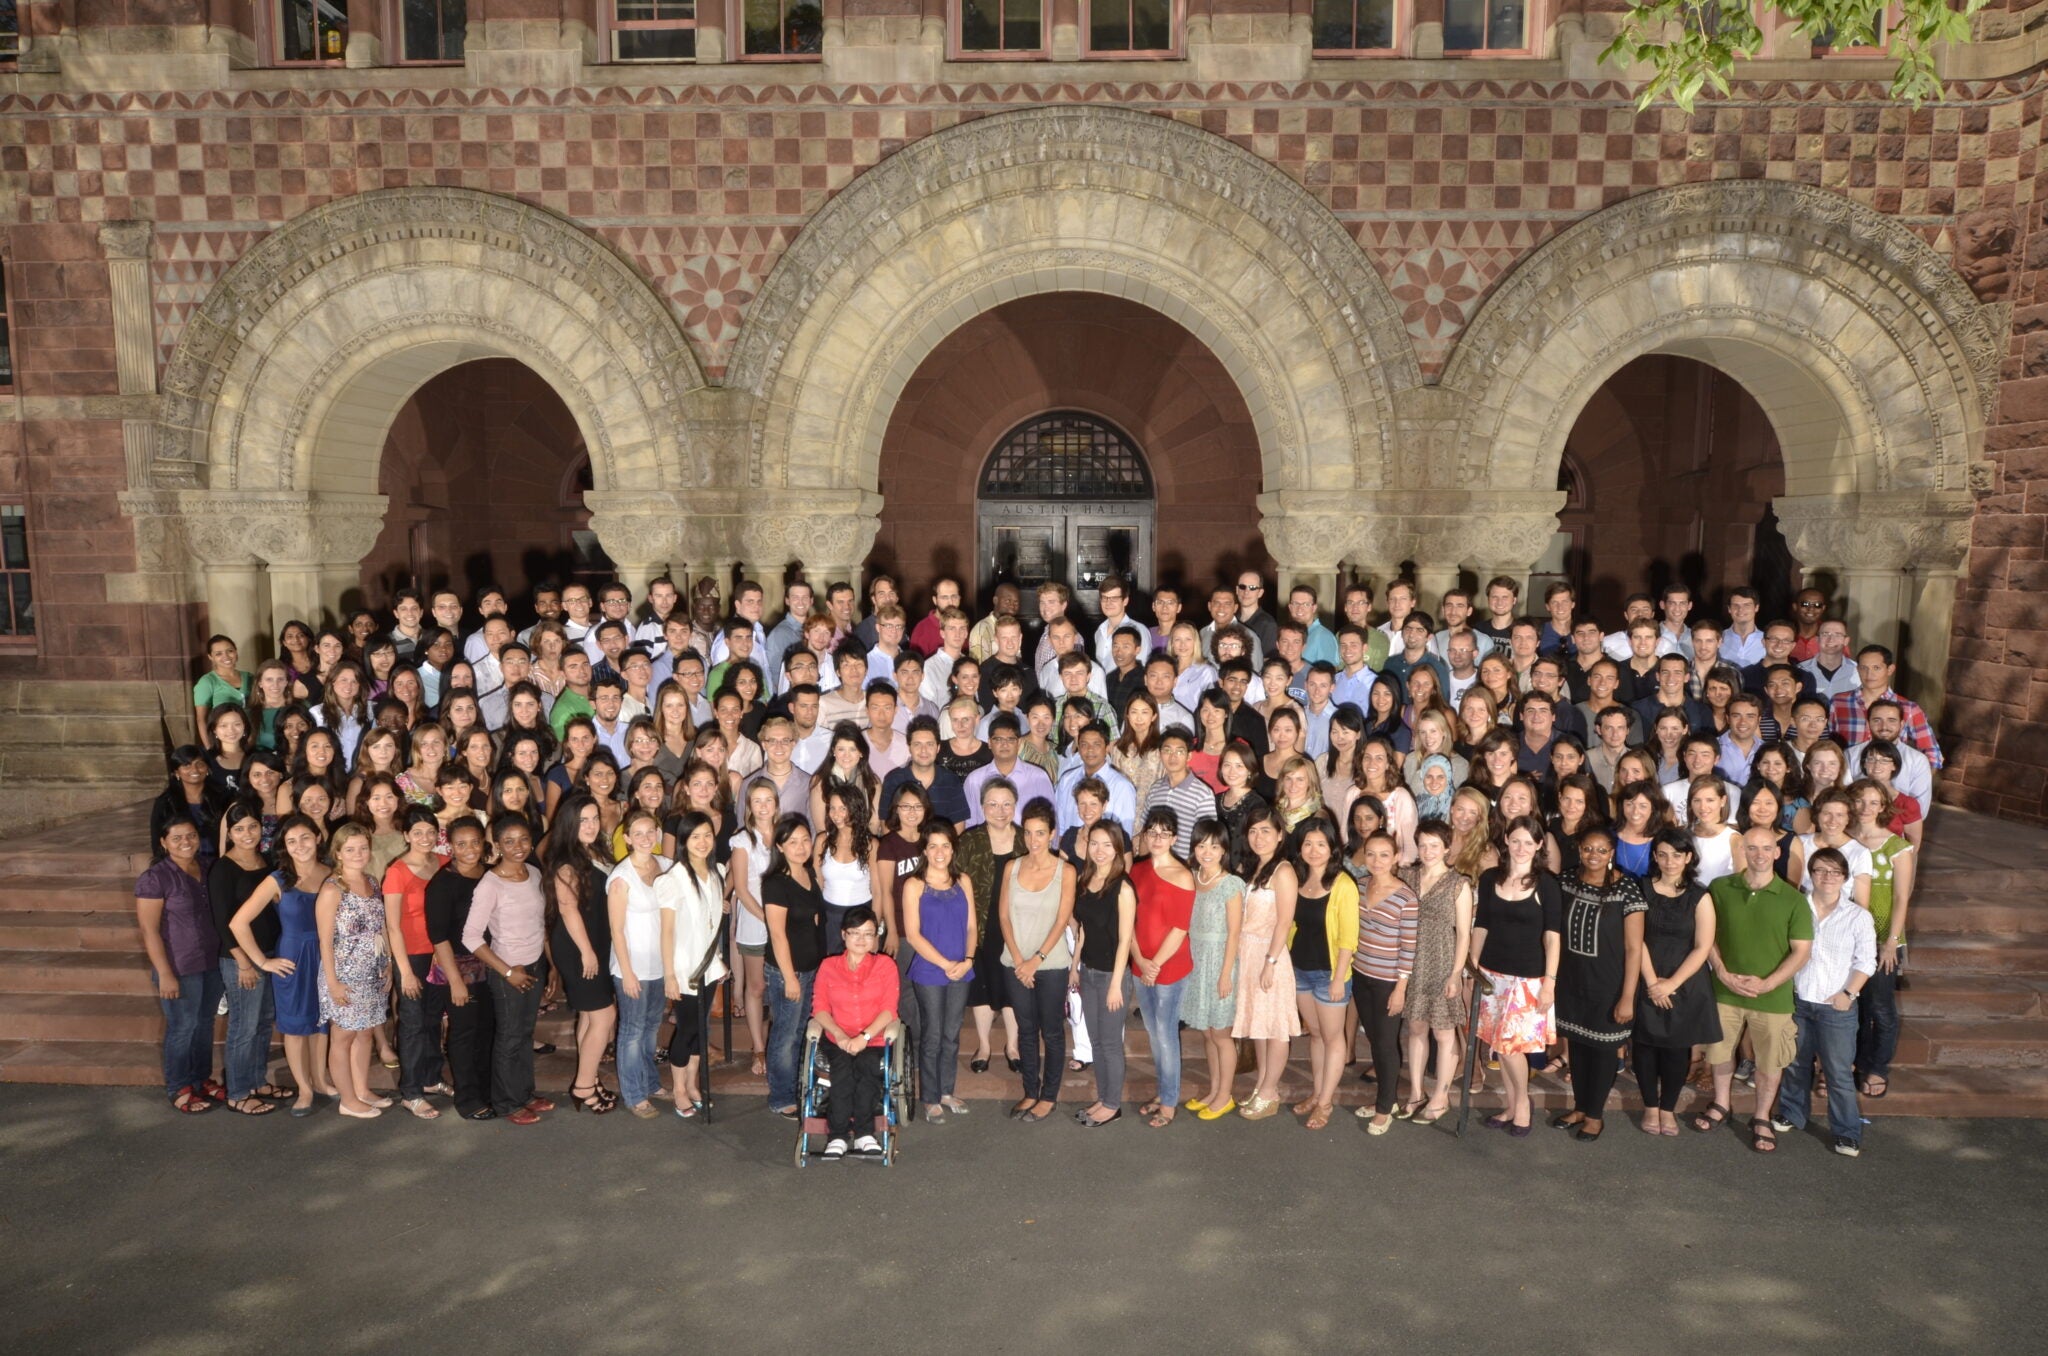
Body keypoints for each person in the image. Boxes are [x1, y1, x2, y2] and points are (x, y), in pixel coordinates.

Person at [1695, 824, 1814, 1153]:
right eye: (1752, 848)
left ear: (1777, 853)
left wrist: (1768, 984)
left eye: (1766, 849)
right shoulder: (1720, 888)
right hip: (1725, 991)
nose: (1759, 855)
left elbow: (1801, 951)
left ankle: (1761, 1115)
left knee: (1769, 1062)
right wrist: (1720, 971)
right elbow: (1707, 937)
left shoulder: (1794, 899)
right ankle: (1721, 1103)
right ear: (1742, 851)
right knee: (1720, 1055)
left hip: (1773, 998)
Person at [1771, 848, 1877, 1157]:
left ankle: (1846, 1132)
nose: (1827, 877)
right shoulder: (1796, 907)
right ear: (1810, 874)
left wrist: (1848, 994)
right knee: (1795, 1063)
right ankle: (1792, 1113)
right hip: (1798, 1000)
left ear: (1844, 878)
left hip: (1837, 1007)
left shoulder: (1858, 916)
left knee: (1838, 1073)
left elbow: (1866, 962)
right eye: (1820, 870)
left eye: (1834, 872)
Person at [229, 813, 335, 1117]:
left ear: (317, 838)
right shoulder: (277, 879)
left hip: (326, 954)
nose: (299, 845)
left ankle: (321, 1080)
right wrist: (262, 961)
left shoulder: (332, 873)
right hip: (293, 957)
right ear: (284, 847)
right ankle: (303, 1088)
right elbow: (238, 923)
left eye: (305, 837)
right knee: (295, 1026)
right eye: (291, 841)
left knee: (321, 1021)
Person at [1548, 828, 1646, 1142]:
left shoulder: (1626, 889)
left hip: (1609, 985)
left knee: (1603, 1051)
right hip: (1572, 981)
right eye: (1588, 849)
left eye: (1601, 850)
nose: (1594, 855)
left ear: (1612, 854)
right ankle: (1579, 1107)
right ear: (1579, 850)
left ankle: (1594, 1115)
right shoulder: (1565, 881)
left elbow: (1634, 949)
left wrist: (1627, 996)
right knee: (1577, 1046)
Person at [1470, 816, 1562, 1136]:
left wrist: (1550, 982)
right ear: (1506, 840)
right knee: (1501, 1045)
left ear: (1538, 846)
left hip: (1529, 980)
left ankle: (1522, 1103)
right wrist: (1471, 964)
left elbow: (1552, 937)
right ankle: (1511, 1105)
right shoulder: (1489, 877)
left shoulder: (1547, 884)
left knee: (1510, 1047)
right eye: (1516, 840)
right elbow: (1481, 924)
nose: (1521, 848)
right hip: (1493, 975)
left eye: (1528, 842)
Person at [464, 814, 556, 1126]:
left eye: (524, 839)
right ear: (498, 846)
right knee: (509, 1037)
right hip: (508, 972)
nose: (518, 847)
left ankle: (525, 1094)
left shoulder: (532, 872)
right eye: (509, 841)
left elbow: (540, 925)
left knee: (525, 1033)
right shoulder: (490, 884)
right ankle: (505, 1102)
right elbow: (471, 937)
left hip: (534, 965)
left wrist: (550, 965)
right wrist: (506, 972)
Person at [1632, 829, 1721, 1136]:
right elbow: (1635, 938)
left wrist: (1670, 984)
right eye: (1663, 854)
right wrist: (1652, 981)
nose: (1670, 861)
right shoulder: (1640, 889)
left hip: (1685, 984)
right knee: (1644, 1047)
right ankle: (1650, 1108)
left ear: (1688, 857)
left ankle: (1667, 1109)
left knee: (1675, 1051)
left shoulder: (1700, 895)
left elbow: (1703, 946)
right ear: (1655, 856)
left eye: (1677, 854)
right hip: (1645, 976)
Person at [136, 818, 227, 1114]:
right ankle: (179, 1085)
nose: (185, 841)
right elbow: (149, 930)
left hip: (211, 962)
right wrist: (164, 973)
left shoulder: (209, 866)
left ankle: (201, 1078)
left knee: (204, 1025)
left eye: (191, 835)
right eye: (176, 837)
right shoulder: (156, 878)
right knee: (182, 1027)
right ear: (163, 842)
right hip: (179, 965)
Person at [999, 798, 1078, 1122]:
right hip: (1014, 963)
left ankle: (1048, 1096)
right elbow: (1003, 916)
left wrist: (1036, 960)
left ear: (1052, 834)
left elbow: (1062, 920)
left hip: (1052, 964)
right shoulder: (1012, 866)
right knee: (1026, 1030)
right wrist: (1020, 960)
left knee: (1052, 1031)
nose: (1033, 841)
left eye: (1040, 833)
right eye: (1029, 833)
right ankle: (1030, 1090)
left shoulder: (1066, 870)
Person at [542, 792, 619, 1115]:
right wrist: (587, 952)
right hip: (578, 946)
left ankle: (587, 1078)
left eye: (593, 818)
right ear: (569, 823)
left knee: (591, 1014)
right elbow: (568, 908)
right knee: (604, 1015)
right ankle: (583, 1085)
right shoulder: (565, 860)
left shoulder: (594, 849)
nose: (590, 825)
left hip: (596, 940)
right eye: (583, 820)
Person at [317, 823, 395, 1120]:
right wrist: (333, 982)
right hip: (345, 973)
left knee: (365, 1033)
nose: (358, 854)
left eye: (363, 847)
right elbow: (324, 941)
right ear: (338, 853)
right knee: (343, 1035)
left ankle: (361, 1090)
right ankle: (347, 1099)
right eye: (350, 849)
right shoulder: (332, 889)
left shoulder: (373, 882)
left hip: (372, 970)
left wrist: (387, 960)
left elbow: (382, 926)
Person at [208, 804, 283, 1114]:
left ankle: (257, 1081)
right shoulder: (223, 868)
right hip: (241, 959)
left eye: (252, 827)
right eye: (239, 829)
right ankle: (238, 1092)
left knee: (264, 1022)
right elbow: (222, 921)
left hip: (268, 953)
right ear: (229, 833)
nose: (247, 834)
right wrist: (242, 962)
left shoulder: (266, 861)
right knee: (244, 1026)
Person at [810, 907, 901, 1159]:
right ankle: (837, 1135)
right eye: (855, 933)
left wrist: (865, 1037)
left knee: (867, 1068)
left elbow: (888, 1010)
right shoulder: (828, 966)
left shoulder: (885, 965)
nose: (861, 939)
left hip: (874, 1038)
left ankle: (864, 1133)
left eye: (868, 934)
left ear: (875, 938)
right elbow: (819, 1009)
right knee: (842, 1071)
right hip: (837, 1037)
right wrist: (840, 1036)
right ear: (843, 935)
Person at [902, 820, 977, 1123]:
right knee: (932, 1034)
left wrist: (969, 959)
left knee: (951, 1033)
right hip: (931, 971)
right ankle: (930, 1097)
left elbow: (972, 925)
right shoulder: (914, 884)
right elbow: (913, 934)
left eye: (945, 845)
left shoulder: (963, 881)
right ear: (924, 848)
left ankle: (947, 1091)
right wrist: (946, 964)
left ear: (953, 848)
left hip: (962, 968)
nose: (939, 851)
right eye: (932, 845)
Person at [1230, 810, 1303, 1121]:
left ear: (1279, 835)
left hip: (1269, 956)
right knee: (1257, 1026)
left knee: (1274, 1029)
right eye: (1253, 831)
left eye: (1265, 831)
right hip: (1247, 953)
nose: (1258, 837)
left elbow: (1284, 921)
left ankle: (1271, 1091)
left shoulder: (1283, 871)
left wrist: (1271, 962)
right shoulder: (1252, 868)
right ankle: (1262, 1085)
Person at [422, 816, 495, 1120]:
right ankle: (467, 1099)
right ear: (450, 846)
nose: (469, 849)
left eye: (475, 842)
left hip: (492, 964)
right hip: (459, 968)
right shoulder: (442, 884)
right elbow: (438, 937)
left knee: (488, 1031)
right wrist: (455, 981)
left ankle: (488, 1090)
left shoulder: (490, 875)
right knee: (464, 1034)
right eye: (461, 844)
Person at [658, 810, 729, 1119]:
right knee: (687, 1030)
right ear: (683, 841)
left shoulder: (717, 873)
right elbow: (667, 931)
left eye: (707, 835)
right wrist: (670, 975)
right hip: (685, 970)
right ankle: (678, 1089)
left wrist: (720, 962)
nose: (702, 842)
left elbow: (711, 924)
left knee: (701, 1028)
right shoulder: (673, 879)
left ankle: (693, 1084)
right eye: (695, 836)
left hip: (710, 967)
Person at [1848, 777, 1915, 1100]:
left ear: (1883, 806)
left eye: (1873, 802)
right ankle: (1856, 1063)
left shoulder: (1896, 847)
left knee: (1880, 1007)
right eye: (1860, 801)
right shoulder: (1844, 839)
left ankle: (1878, 1068)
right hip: (1846, 939)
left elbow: (1902, 897)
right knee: (1854, 1006)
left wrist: (1890, 941)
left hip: (1881, 939)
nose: (1865, 808)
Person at [1129, 809, 1196, 1128]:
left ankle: (1169, 1103)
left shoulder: (1183, 875)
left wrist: (1153, 964)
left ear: (1175, 838)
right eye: (1152, 831)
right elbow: (1127, 919)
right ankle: (1163, 1091)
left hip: (1169, 966)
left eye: (1164, 833)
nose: (1157, 838)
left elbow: (1180, 928)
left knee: (1166, 1034)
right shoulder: (1136, 870)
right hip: (1139, 962)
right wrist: (1140, 960)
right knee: (1154, 1034)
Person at [1069, 821, 1138, 1128]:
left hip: (1113, 977)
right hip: (1088, 971)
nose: (1099, 850)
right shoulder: (1085, 879)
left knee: (1110, 1043)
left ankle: (1112, 1104)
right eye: (1094, 843)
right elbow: (1082, 930)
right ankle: (1102, 1098)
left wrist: (1115, 985)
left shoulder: (1122, 887)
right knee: (1095, 1042)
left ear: (1118, 850)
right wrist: (1075, 965)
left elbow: (1125, 939)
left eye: (1107, 845)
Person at [381, 804, 447, 1120]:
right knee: (412, 1023)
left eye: (430, 832)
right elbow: (392, 925)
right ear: (406, 835)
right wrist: (404, 970)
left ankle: (432, 1078)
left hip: (441, 954)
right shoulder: (396, 872)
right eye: (417, 832)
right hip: (412, 956)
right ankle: (411, 1092)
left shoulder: (445, 863)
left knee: (434, 1018)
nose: (425, 837)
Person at [607, 807, 671, 1118]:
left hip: (659, 964)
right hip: (631, 968)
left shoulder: (666, 865)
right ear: (628, 839)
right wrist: (628, 973)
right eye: (639, 833)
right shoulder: (621, 877)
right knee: (632, 1031)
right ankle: (634, 1094)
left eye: (651, 832)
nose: (646, 838)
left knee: (650, 1028)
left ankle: (649, 1081)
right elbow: (616, 930)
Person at [762, 813, 827, 1118]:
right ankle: (781, 1096)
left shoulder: (809, 873)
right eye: (793, 842)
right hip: (787, 971)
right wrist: (789, 978)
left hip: (811, 968)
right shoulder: (776, 883)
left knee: (802, 1030)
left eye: (805, 840)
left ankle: (799, 1087)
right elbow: (777, 934)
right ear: (780, 846)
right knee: (785, 1035)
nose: (801, 847)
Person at [1181, 818, 1246, 1121]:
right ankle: (1214, 1089)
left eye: (1214, 846)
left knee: (1221, 1034)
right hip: (1197, 961)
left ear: (1224, 850)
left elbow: (1235, 932)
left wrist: (1225, 974)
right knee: (1207, 1033)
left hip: (1221, 960)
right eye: (1202, 845)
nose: (1207, 851)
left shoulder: (1231, 884)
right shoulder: (1191, 877)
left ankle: (1225, 1096)